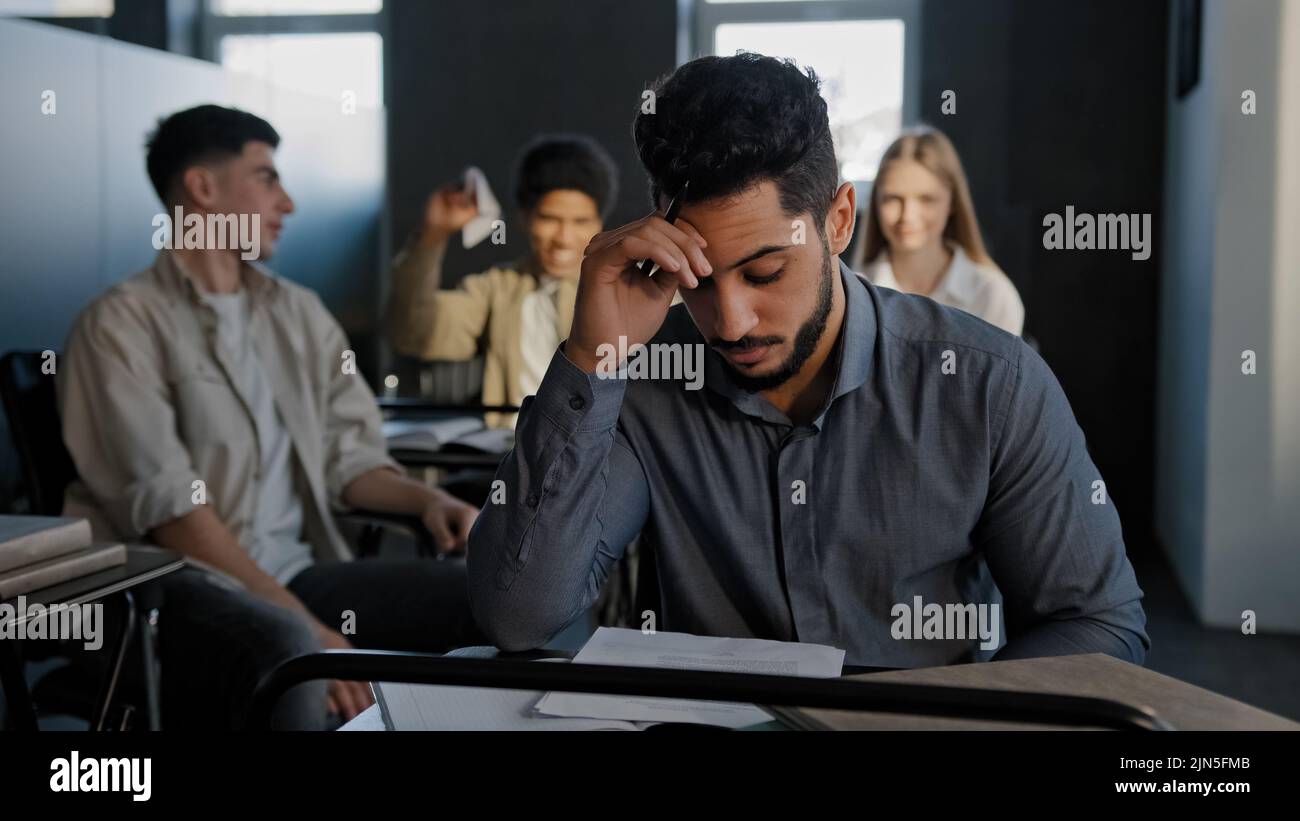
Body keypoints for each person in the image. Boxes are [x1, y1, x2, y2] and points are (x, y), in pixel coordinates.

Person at [466, 53, 1148, 668]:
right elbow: (518, 617)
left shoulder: (990, 385)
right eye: (699, 279)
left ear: (840, 220)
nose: (730, 322)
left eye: (764, 273)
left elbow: (1095, 623)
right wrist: (592, 355)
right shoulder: (644, 380)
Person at [57, 104, 484, 729]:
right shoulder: (118, 326)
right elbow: (175, 519)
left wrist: (423, 502)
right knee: (288, 652)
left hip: (296, 573)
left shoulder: (298, 314)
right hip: (181, 589)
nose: (287, 203)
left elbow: (349, 459)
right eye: (266, 177)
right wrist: (313, 634)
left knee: (501, 597)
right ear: (202, 188)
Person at [386, 134, 619, 426]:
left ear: (600, 223)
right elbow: (413, 334)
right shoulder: (496, 288)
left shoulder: (623, 287)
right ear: (524, 217)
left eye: (580, 222)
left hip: (599, 456)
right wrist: (433, 236)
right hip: (509, 455)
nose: (563, 238)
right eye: (549, 219)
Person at [858, 126, 1025, 336]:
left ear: (953, 202)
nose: (907, 216)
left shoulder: (991, 294)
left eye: (926, 199)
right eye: (892, 199)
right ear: (876, 203)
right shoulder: (855, 291)